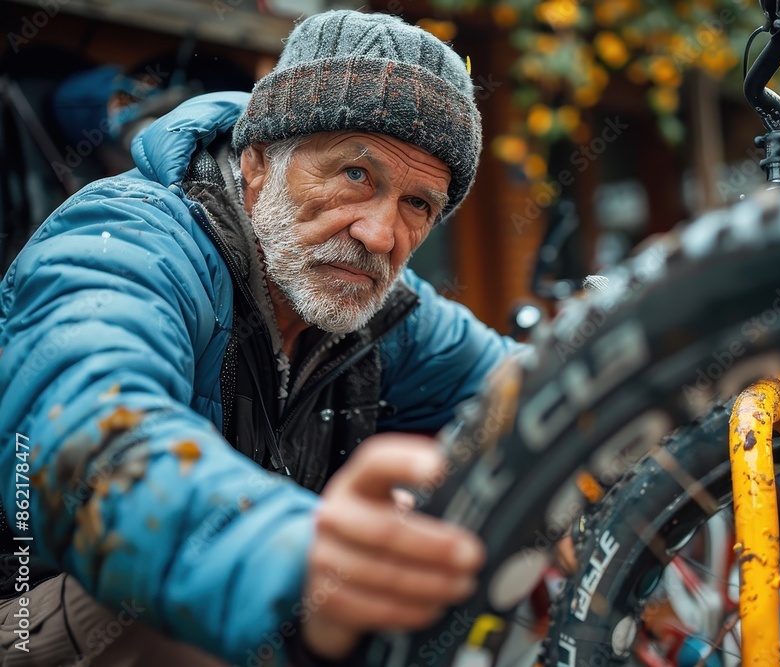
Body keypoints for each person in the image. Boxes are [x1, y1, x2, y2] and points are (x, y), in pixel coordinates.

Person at [0, 9, 518, 666]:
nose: (380, 235)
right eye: (355, 175)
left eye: (418, 204)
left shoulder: (387, 310)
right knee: (169, 623)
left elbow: (535, 390)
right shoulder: (127, 242)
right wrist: (293, 558)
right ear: (258, 162)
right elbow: (87, 433)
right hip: (28, 619)